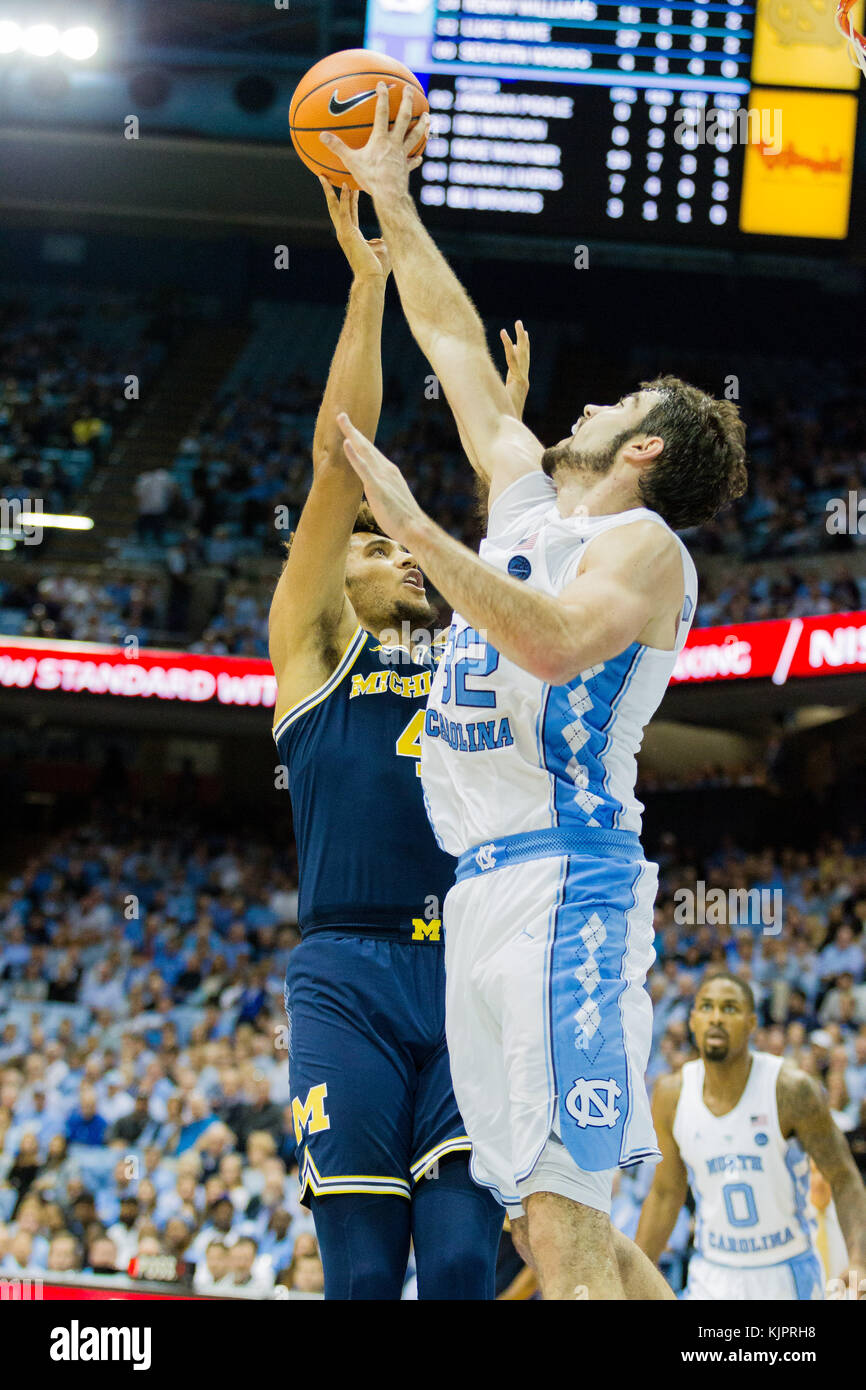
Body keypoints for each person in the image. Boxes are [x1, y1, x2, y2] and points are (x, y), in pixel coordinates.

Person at [321, 85, 747, 1300]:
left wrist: (411, 525)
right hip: (486, 892)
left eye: (608, 407)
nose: (575, 407)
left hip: (568, 881)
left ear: (644, 448)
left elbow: (555, 643)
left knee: (563, 1225)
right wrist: (395, 205)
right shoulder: (524, 500)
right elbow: (452, 343)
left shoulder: (646, 552)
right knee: (552, 1225)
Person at [268, 181, 523, 1299]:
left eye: (402, 547)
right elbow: (340, 461)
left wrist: (495, 455)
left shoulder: (466, 643)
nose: (399, 554)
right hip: (348, 970)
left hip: (468, 957)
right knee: (365, 1277)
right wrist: (367, 285)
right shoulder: (315, 648)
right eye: (375, 549)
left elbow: (508, 556)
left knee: (466, 1263)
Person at [635, 972, 866, 1298]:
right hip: (711, 1273)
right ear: (693, 1020)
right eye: (707, 1007)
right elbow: (665, 1194)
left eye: (729, 1008)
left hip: (785, 1272)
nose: (716, 1017)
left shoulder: (791, 1089)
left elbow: (843, 1176)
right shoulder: (671, 1094)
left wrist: (859, 1260)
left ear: (751, 1022)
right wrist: (633, 1274)